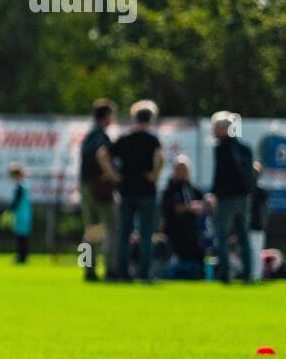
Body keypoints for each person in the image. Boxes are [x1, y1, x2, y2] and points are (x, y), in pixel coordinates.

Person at [110, 100, 164, 282]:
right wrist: (154, 175)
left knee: (123, 234)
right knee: (146, 235)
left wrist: (114, 175)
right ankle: (144, 273)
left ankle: (122, 273)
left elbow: (103, 154)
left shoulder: (124, 139)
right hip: (147, 191)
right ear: (151, 119)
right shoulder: (152, 140)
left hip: (126, 190)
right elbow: (160, 159)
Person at [210, 111, 255, 284]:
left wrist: (214, 194)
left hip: (226, 198)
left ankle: (225, 274)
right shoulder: (245, 148)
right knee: (243, 235)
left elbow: (219, 175)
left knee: (222, 235)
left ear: (223, 128)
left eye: (216, 127)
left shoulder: (221, 148)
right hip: (244, 197)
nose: (214, 131)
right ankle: (247, 273)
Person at [79, 99, 119, 281]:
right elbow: (102, 155)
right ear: (107, 116)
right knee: (110, 229)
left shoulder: (89, 135)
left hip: (86, 186)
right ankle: (111, 269)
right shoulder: (101, 136)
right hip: (100, 187)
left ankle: (87, 269)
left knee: (90, 230)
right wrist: (112, 175)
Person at [160, 157, 204, 280]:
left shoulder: (194, 190)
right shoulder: (169, 190)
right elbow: (171, 208)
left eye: (184, 170)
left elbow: (202, 206)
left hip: (193, 236)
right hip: (174, 235)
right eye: (179, 169)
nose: (182, 172)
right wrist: (189, 208)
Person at [6, 162, 33, 264]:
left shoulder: (21, 186)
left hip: (22, 214)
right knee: (22, 235)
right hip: (24, 213)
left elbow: (16, 201)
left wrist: (9, 211)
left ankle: (22, 256)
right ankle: (22, 256)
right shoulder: (23, 185)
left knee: (21, 236)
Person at [249, 162, 268, 283]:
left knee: (257, 253)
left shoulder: (261, 192)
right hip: (247, 227)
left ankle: (257, 275)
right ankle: (250, 274)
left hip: (258, 226)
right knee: (250, 252)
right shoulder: (245, 191)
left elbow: (264, 211)